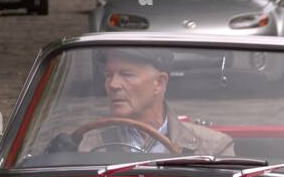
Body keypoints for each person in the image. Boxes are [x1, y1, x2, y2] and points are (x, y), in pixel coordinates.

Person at [79, 49, 235, 156]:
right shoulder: (89, 144)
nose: (113, 85)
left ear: (159, 83)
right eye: (108, 75)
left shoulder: (213, 147)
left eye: (126, 74)